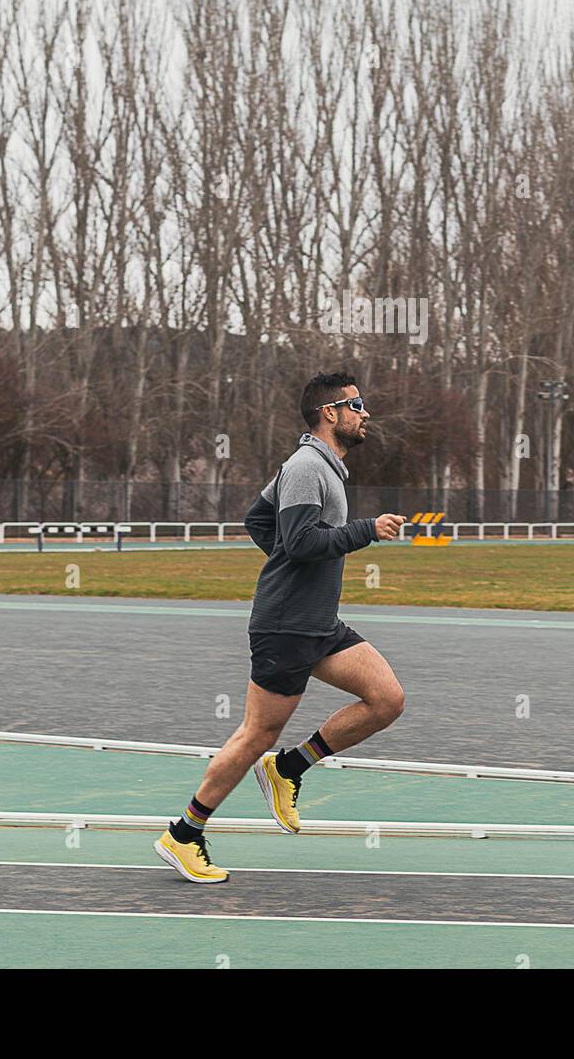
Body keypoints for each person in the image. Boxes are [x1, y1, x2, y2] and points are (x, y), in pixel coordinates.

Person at [155, 372, 407, 882]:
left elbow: (259, 521)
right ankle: (183, 834)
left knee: (386, 699)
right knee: (256, 734)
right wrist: (366, 530)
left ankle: (287, 768)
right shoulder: (306, 467)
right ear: (330, 413)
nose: (366, 413)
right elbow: (299, 542)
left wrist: (289, 566)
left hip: (319, 623)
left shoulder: (323, 466)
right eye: (357, 404)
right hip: (286, 627)